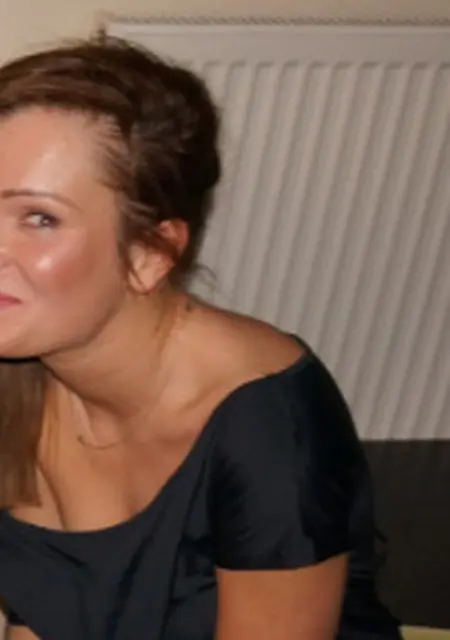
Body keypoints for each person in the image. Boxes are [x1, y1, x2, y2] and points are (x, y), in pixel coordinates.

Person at [0, 34, 400, 640]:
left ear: (149, 253)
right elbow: (41, 609)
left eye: (39, 218)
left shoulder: (269, 432)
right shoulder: (23, 355)